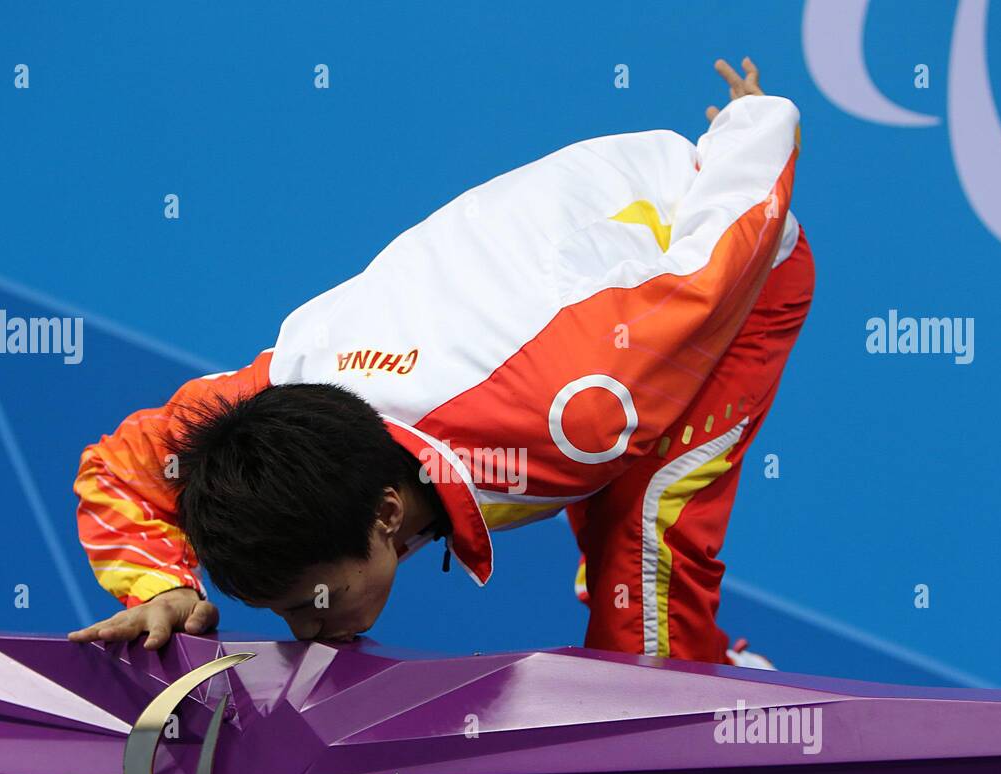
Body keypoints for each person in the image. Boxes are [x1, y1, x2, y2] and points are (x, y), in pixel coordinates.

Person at [69, 58, 814, 667]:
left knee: (644, 549)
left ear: (388, 513)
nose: (303, 633)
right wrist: (159, 585)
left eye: (305, 604)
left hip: (719, 261)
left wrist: (750, 127)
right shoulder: (291, 385)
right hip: (532, 284)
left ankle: (683, 741)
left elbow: (721, 254)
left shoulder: (580, 406)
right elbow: (122, 467)